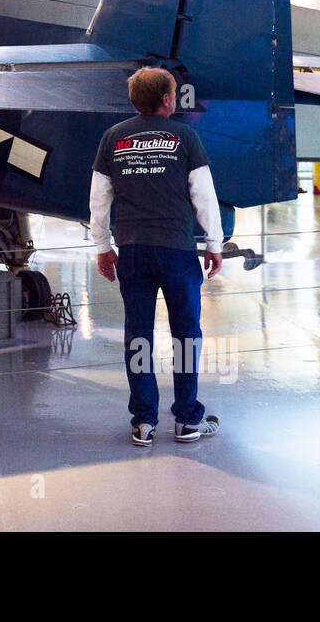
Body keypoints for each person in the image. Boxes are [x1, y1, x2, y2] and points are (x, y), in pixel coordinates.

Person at [89, 66, 222, 447]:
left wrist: (103, 248)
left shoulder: (112, 138)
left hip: (133, 252)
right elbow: (203, 194)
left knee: (138, 336)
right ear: (167, 100)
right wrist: (214, 243)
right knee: (185, 335)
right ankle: (186, 420)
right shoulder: (185, 137)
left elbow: (98, 200)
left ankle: (144, 422)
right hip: (178, 251)